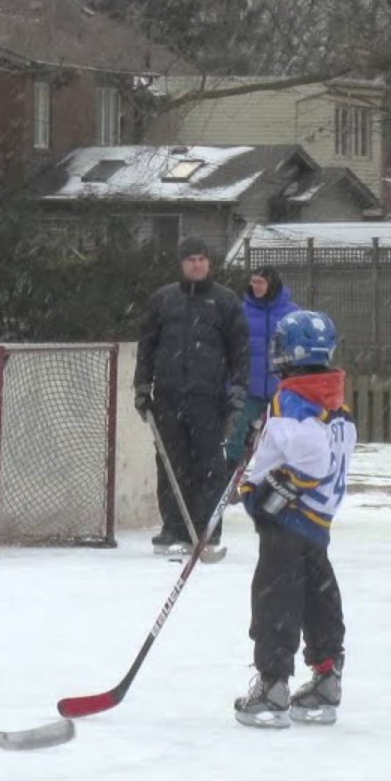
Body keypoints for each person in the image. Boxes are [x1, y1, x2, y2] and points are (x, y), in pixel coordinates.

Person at [232, 310, 353, 729]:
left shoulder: (293, 399)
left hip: (288, 523)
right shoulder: (334, 400)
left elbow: (312, 458)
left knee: (275, 600)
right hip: (317, 525)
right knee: (319, 595)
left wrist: (272, 491)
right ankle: (326, 678)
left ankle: (272, 688)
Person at [135, 236, 249, 559]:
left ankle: (207, 530)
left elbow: (241, 352)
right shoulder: (163, 300)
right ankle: (174, 529)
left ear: (208, 262)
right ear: (182, 264)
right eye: (190, 260)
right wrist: (142, 386)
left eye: (201, 259)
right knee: (171, 464)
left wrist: (238, 391)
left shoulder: (225, 301)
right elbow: (147, 345)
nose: (196, 265)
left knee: (209, 466)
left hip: (208, 399)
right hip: (168, 396)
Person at [226, 266, 299, 464]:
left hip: (280, 389)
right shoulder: (241, 311)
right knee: (237, 436)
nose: (256, 286)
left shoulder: (291, 312)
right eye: (253, 281)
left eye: (261, 282)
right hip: (249, 387)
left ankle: (278, 472)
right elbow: (231, 348)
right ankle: (231, 472)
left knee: (283, 438)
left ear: (272, 284)